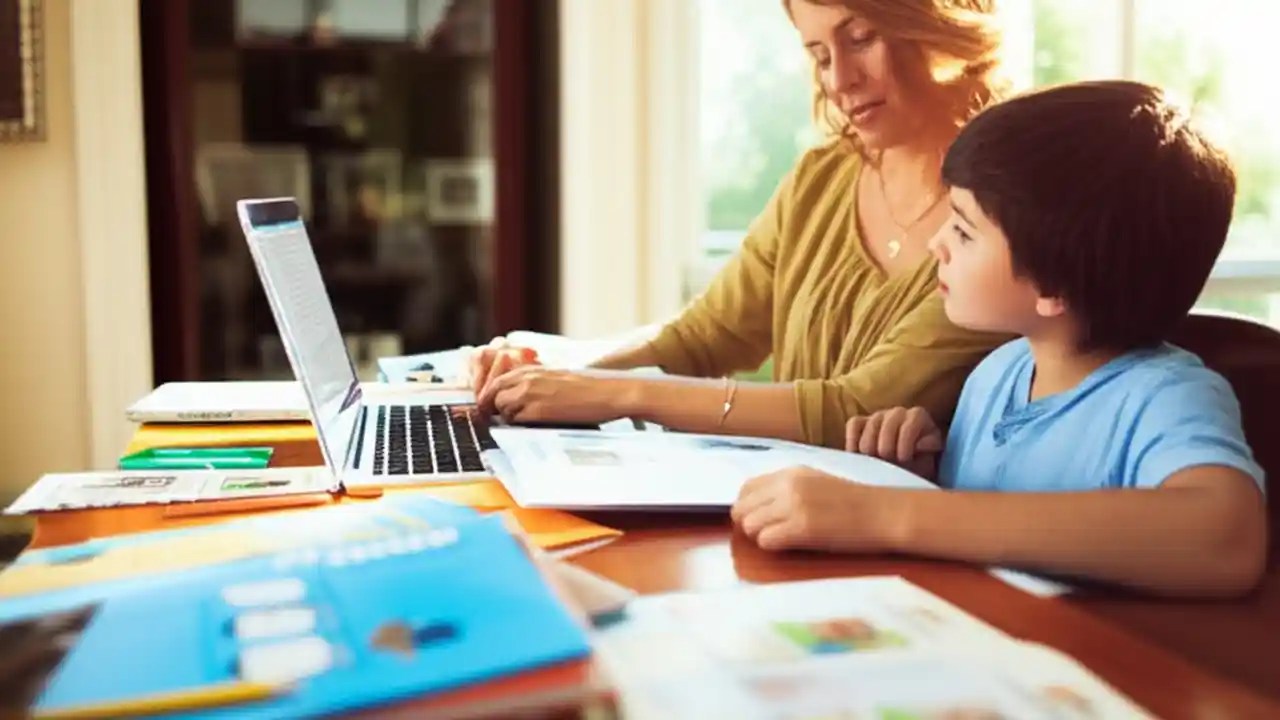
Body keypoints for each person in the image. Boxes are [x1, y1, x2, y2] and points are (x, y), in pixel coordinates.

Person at [732, 80, 1268, 597]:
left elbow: (1227, 536)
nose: (937, 245)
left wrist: (882, 513)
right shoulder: (998, 373)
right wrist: (925, 475)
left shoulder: (1167, 397)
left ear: (1054, 285)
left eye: (964, 231)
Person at [471, 0, 1012, 448]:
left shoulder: (1009, 204)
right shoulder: (821, 179)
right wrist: (561, 364)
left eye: (862, 38)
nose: (839, 80)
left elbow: (857, 406)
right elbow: (709, 336)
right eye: (819, 54)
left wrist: (614, 391)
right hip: (785, 512)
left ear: (937, 22)